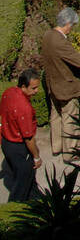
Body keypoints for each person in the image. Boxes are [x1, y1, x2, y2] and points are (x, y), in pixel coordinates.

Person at [41, 7, 80, 160]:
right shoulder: (60, 42)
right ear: (67, 23)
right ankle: (70, 153)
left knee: (55, 116)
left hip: (52, 85)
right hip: (66, 87)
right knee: (70, 119)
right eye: (71, 26)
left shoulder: (47, 36)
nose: (71, 29)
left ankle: (57, 147)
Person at [0, 68, 42, 202]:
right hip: (19, 148)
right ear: (24, 86)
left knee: (29, 181)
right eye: (34, 88)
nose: (37, 91)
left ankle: (41, 203)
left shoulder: (8, 93)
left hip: (6, 144)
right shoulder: (24, 108)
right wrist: (36, 157)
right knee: (21, 188)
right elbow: (28, 138)